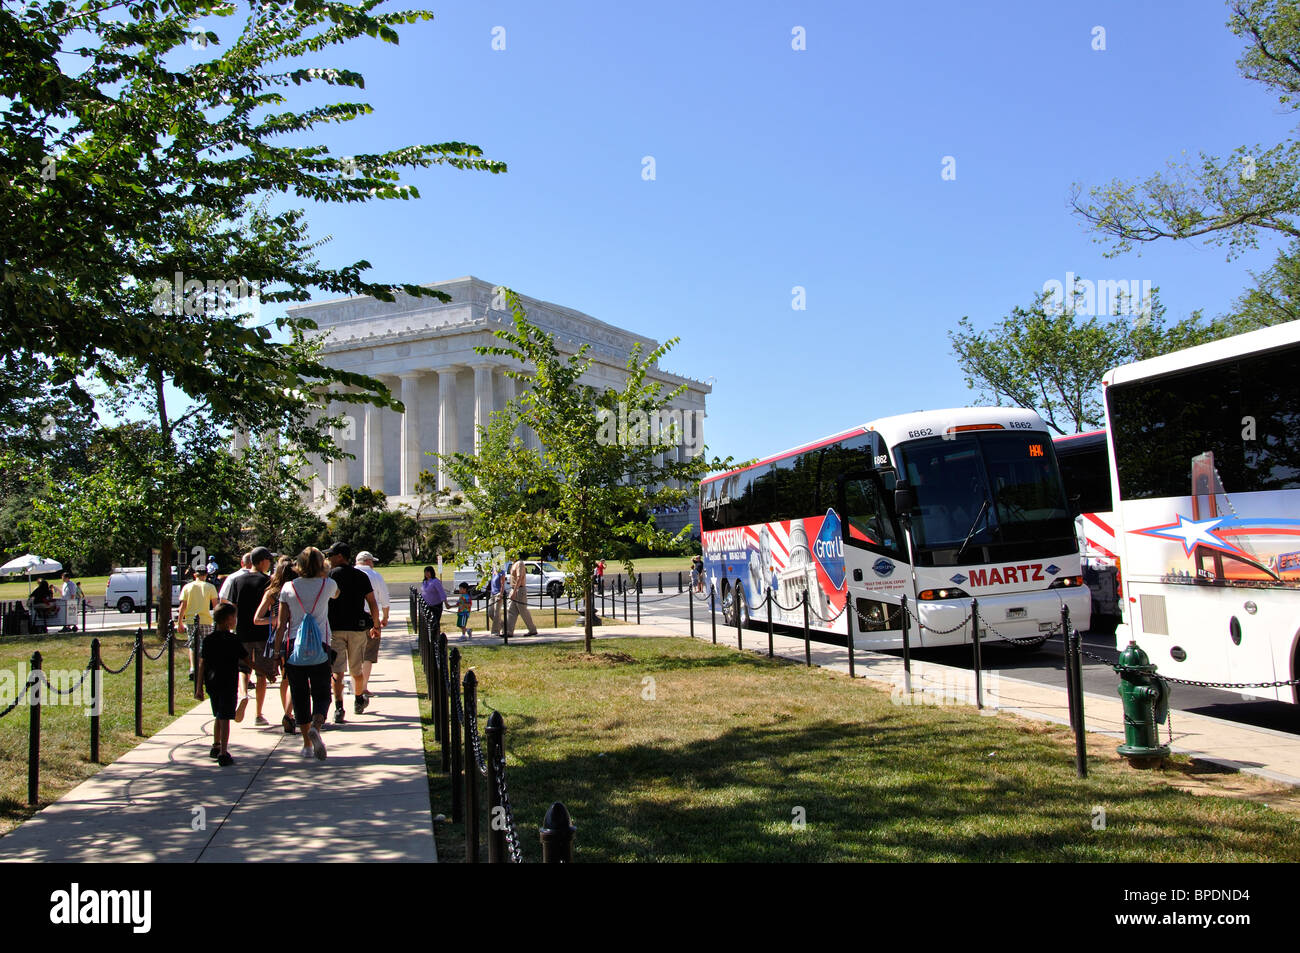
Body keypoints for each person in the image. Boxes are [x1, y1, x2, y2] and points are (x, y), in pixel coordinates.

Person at [276, 546, 338, 760]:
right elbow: (337, 595)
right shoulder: (328, 584)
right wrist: (324, 573)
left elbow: (281, 623)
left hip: (295, 648)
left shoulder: (288, 587)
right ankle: (317, 725)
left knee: (299, 694)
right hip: (321, 645)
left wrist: (276, 650)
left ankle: (305, 744)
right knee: (322, 693)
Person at [324, 542, 381, 721]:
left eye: (331, 555)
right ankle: (358, 699)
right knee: (356, 669)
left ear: (340, 556)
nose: (328, 558)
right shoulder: (360, 576)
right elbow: (372, 601)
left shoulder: (329, 577)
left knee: (337, 671)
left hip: (335, 628)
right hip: (357, 628)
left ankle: (339, 707)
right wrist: (376, 624)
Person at [227, 546, 274, 725]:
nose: (269, 563)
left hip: (243, 631)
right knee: (261, 673)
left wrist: (233, 627)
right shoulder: (268, 581)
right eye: (268, 560)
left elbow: (233, 607)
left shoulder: (237, 581)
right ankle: (258, 714)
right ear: (262, 561)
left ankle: (243, 694)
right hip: (262, 632)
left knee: (242, 668)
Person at [199, 603, 249, 767]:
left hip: (212, 683)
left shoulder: (209, 640)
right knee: (225, 717)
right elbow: (247, 660)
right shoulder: (233, 640)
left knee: (219, 715)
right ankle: (223, 752)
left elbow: (202, 664)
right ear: (229, 620)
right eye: (234, 617)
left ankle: (216, 745)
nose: (235, 620)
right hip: (228, 682)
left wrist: (199, 687)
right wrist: (266, 671)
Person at [255, 556, 299, 734]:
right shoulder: (298, 590)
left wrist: (274, 620)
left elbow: (257, 619)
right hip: (296, 636)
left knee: (285, 679)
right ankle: (291, 713)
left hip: (278, 639)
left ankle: (287, 713)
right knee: (296, 679)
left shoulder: (272, 593)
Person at [354, 551, 389, 701]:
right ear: (368, 561)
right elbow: (384, 598)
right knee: (368, 654)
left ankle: (355, 684)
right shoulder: (375, 576)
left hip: (350, 619)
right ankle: (363, 686)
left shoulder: (350, 573)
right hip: (370, 618)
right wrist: (385, 616)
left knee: (353, 653)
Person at [177, 567, 218, 681]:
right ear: (205, 575)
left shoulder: (187, 587)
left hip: (191, 620)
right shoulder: (210, 587)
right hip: (206, 620)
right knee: (206, 646)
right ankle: (204, 669)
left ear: (195, 575)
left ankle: (193, 668)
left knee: (192, 645)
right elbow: (215, 606)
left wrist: (180, 622)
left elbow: (183, 607)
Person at [507, 556, 538, 636]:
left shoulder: (520, 563)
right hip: (513, 588)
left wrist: (514, 592)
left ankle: (532, 630)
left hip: (519, 590)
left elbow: (519, 577)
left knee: (523, 611)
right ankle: (509, 632)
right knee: (511, 611)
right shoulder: (513, 564)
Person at [421, 565, 448, 639]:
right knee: (426, 622)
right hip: (427, 606)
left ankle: (436, 636)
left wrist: (446, 603)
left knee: (435, 621)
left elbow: (442, 592)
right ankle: (427, 636)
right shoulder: (424, 582)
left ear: (432, 572)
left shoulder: (435, 581)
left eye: (428, 572)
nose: (426, 574)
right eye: (425, 572)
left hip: (436, 605)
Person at [486, 565, 506, 636]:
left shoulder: (501, 572)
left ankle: (495, 631)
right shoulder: (493, 572)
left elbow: (502, 584)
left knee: (496, 613)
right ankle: (504, 625)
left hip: (498, 594)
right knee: (490, 612)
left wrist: (501, 593)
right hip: (492, 594)